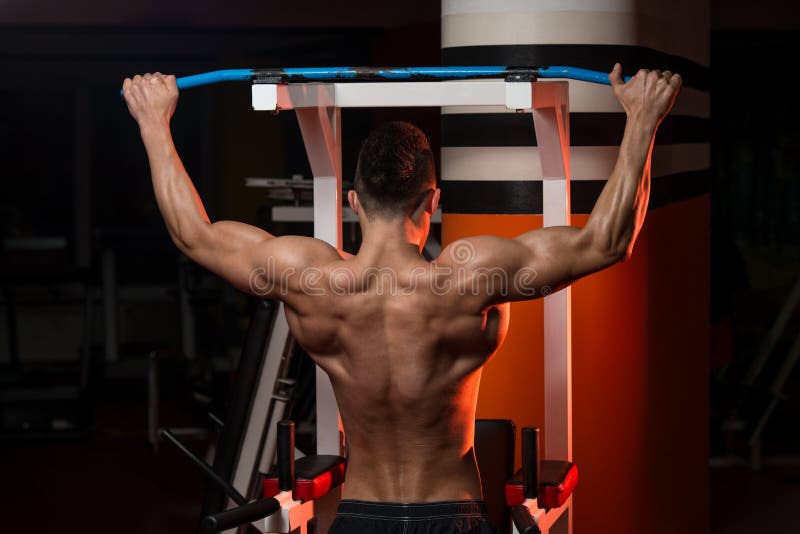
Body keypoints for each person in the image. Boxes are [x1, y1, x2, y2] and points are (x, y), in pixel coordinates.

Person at [122, 63, 681, 534]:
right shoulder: (470, 278)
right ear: (432, 201)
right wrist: (642, 121)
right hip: (453, 514)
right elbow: (605, 242)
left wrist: (153, 122)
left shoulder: (310, 279)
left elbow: (192, 233)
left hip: (362, 516)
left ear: (352, 201)